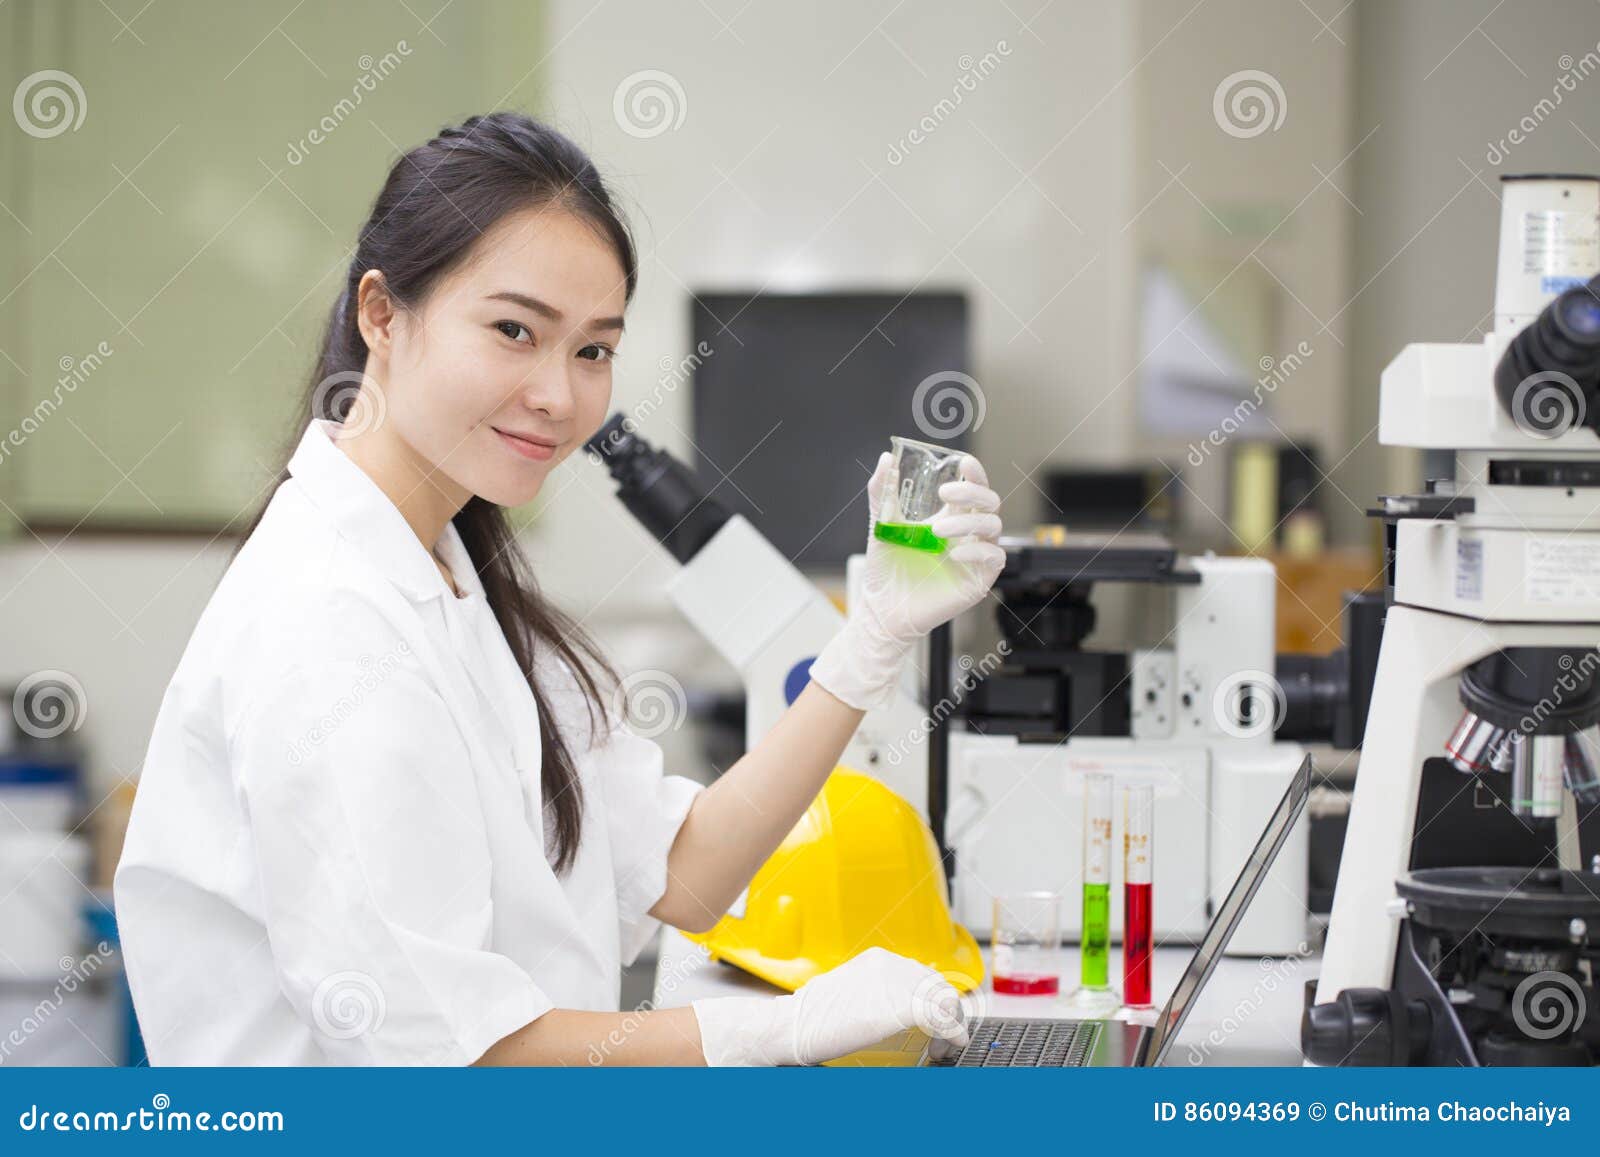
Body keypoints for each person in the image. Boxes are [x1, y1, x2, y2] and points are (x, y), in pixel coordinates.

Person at [113, 112, 1006, 1066]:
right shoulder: (329, 627)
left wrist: (871, 637)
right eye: (513, 330)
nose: (559, 394)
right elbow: (455, 1062)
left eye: (592, 350)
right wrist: (774, 1031)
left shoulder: (454, 574)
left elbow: (690, 873)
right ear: (382, 313)